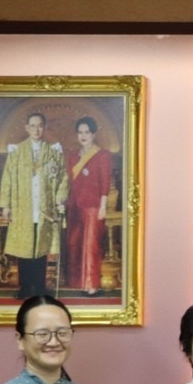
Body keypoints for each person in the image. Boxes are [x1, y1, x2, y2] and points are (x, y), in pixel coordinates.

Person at [0, 112, 68, 299]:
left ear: (44, 128)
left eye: (40, 126)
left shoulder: (54, 152)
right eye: (33, 125)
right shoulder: (17, 152)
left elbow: (63, 178)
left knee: (41, 249)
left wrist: (60, 199)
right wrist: (6, 205)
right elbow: (7, 180)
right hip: (23, 208)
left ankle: (39, 287)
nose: (36, 129)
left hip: (45, 208)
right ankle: (25, 286)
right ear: (27, 128)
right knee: (24, 248)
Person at [64, 116, 113, 296]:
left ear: (93, 134)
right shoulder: (73, 156)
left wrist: (103, 207)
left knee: (91, 245)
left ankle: (91, 284)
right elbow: (68, 182)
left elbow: (105, 182)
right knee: (74, 243)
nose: (83, 136)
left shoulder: (102, 155)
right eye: (80, 132)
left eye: (86, 132)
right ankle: (77, 282)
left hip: (93, 207)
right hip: (74, 206)